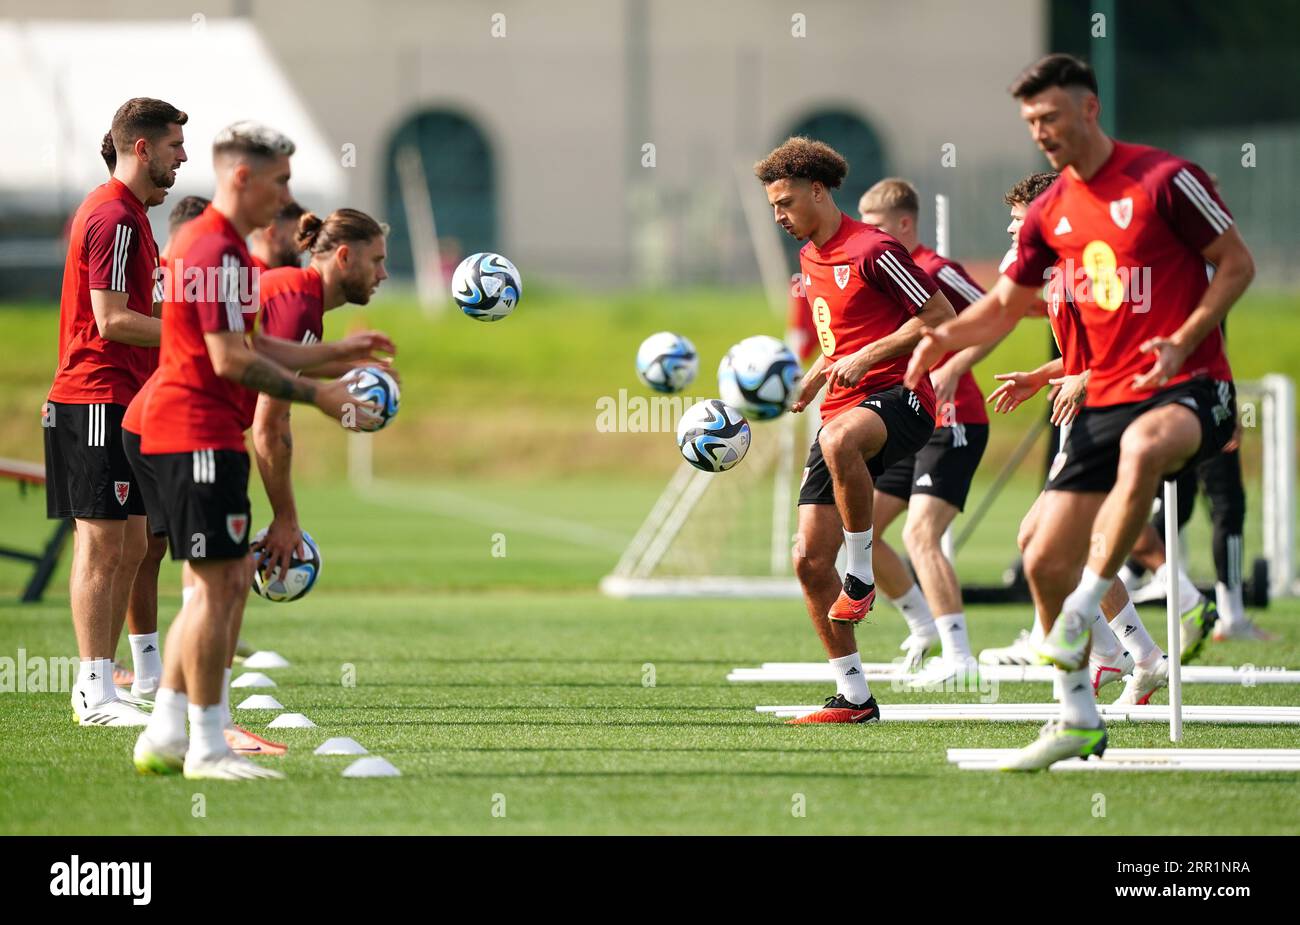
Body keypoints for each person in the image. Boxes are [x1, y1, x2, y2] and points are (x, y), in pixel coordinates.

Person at [906, 54, 1252, 768]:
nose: (1041, 131)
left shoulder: (1166, 180)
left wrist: (1185, 336)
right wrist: (943, 343)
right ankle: (1078, 716)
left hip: (1190, 384)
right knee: (1040, 552)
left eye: (1051, 117)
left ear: (1089, 109)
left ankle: (1114, 609)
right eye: (1031, 121)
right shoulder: (1048, 211)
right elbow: (1002, 306)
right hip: (1107, 396)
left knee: (1147, 446)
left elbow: (1238, 262)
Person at [132, 122, 394, 780]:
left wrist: (334, 355)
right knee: (217, 586)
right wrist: (320, 395)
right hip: (194, 430)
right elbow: (229, 360)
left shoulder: (227, 251)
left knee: (213, 585)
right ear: (242, 177)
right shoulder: (216, 251)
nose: (287, 199)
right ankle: (207, 745)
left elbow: (253, 345)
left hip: (189, 430)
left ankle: (169, 730)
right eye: (279, 182)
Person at [754, 136, 956, 724]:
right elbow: (839, 339)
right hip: (842, 404)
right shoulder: (810, 258)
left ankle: (862, 574)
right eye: (773, 207)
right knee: (807, 561)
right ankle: (855, 696)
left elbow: (937, 318)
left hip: (905, 398)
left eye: (786, 203)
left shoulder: (874, 247)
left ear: (818, 191)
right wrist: (815, 378)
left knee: (840, 440)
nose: (779, 217)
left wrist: (870, 358)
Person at [46, 98, 187, 726]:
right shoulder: (113, 216)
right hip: (94, 397)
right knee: (102, 547)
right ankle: (92, 693)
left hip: (124, 400)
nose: (182, 156)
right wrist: (197, 333)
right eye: (174, 145)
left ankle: (113, 681)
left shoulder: (134, 215)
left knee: (132, 544)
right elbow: (110, 321)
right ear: (142, 149)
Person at [857, 178, 993, 683]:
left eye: (878, 228)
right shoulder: (885, 275)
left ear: (905, 224)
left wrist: (957, 367)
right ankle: (923, 626)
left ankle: (961, 660)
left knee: (920, 535)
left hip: (954, 422)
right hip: (909, 419)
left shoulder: (938, 271)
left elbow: (992, 320)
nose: (870, 238)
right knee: (859, 528)